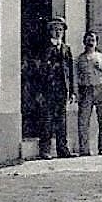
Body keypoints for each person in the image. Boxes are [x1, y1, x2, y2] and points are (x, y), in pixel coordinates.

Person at [36, 17, 75, 159]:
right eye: (55, 29)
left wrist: (72, 92)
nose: (58, 32)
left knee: (62, 120)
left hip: (62, 90)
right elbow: (38, 71)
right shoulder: (44, 48)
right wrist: (39, 91)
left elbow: (70, 72)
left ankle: (63, 149)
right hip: (47, 90)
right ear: (50, 31)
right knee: (47, 119)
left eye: (60, 30)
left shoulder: (66, 48)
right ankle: (45, 150)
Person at [74, 30, 102, 155]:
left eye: (92, 40)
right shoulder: (79, 59)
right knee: (83, 120)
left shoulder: (101, 57)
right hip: (86, 90)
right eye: (88, 40)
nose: (90, 43)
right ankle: (84, 149)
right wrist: (76, 92)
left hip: (101, 89)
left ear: (96, 42)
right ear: (84, 42)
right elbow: (75, 77)